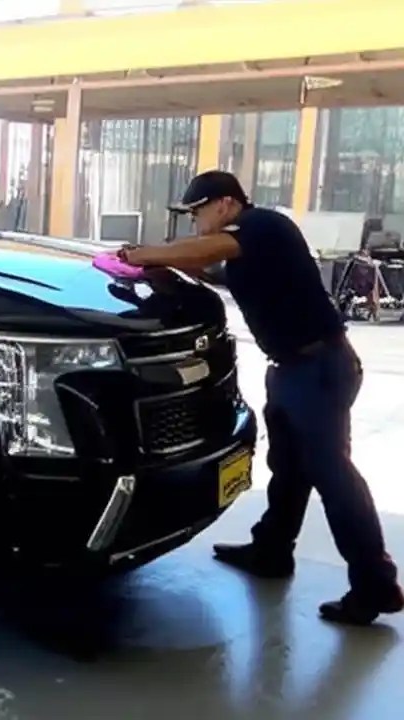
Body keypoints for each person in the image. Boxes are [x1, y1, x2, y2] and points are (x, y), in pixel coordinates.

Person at [119, 170, 403, 626]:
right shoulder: (245, 245)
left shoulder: (263, 226)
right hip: (291, 370)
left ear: (227, 204)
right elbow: (198, 262)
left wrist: (138, 254)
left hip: (320, 368)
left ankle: (376, 585)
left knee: (333, 476)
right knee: (288, 470)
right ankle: (271, 551)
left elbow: (207, 250)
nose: (196, 224)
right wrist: (155, 269)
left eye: (198, 213)